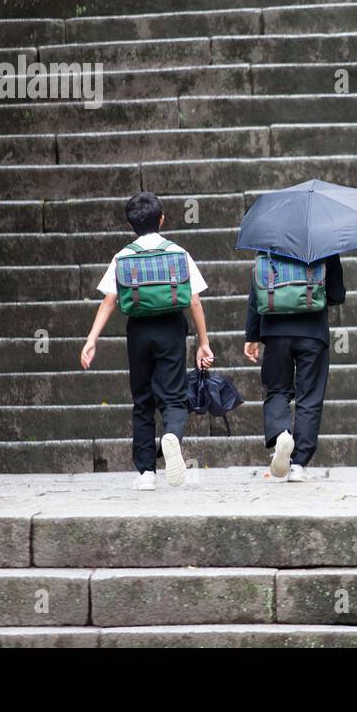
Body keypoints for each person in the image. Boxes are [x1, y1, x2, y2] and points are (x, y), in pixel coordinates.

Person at [81, 192, 213, 491]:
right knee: (174, 396)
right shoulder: (179, 253)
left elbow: (109, 301)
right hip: (171, 328)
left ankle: (146, 473)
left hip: (138, 330)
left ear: (130, 225)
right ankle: (172, 436)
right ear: (162, 219)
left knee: (142, 399)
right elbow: (194, 302)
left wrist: (92, 340)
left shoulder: (123, 256)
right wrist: (203, 342)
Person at [244, 253, 345, 482]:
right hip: (313, 332)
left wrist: (252, 335)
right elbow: (337, 295)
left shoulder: (266, 247)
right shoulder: (324, 247)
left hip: (275, 331)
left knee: (277, 390)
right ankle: (298, 464)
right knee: (309, 397)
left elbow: (255, 296)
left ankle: (281, 432)